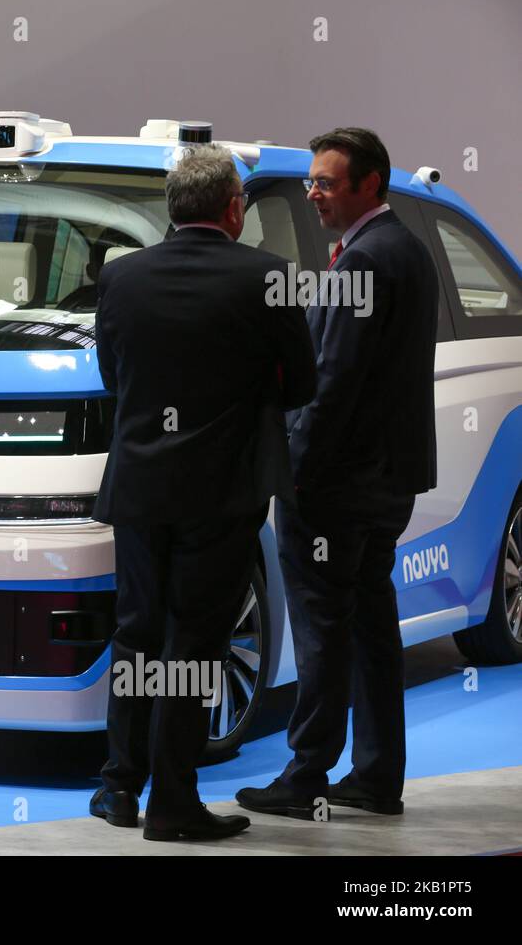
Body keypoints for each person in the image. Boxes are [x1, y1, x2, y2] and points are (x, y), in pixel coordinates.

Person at [91, 144, 317, 841]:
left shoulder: (121, 278)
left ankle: (118, 788)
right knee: (193, 643)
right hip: (221, 494)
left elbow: (112, 379)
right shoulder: (269, 278)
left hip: (139, 487)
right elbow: (303, 386)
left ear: (173, 208)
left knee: (137, 636)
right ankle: (173, 801)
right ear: (233, 208)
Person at [236, 128, 439, 820]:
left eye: (327, 182)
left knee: (323, 625)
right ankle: (378, 776)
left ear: (370, 185)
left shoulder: (363, 264)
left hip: (336, 483)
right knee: (373, 626)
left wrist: (292, 473)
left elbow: (332, 384)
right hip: (388, 479)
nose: (313, 193)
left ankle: (306, 773)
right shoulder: (406, 250)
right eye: (313, 181)